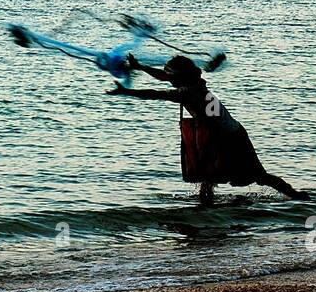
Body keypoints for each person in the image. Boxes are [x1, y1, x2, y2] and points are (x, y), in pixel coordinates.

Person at [108, 54, 304, 204]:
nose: (167, 78)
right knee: (208, 177)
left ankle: (297, 197)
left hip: (232, 138)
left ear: (180, 77)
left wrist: (126, 91)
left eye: (171, 75)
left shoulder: (189, 93)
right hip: (222, 135)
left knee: (258, 177)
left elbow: (154, 94)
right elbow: (162, 77)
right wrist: (139, 67)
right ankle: (206, 208)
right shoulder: (191, 84)